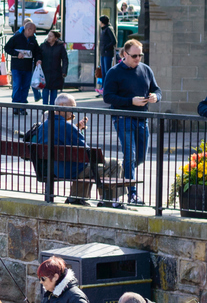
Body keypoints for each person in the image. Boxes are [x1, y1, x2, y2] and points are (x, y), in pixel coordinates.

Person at [34, 94, 122, 205]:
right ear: (61, 106)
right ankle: (111, 201)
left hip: (54, 169)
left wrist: (77, 129)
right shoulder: (68, 126)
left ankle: (76, 197)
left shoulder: (43, 126)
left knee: (87, 168)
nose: (73, 111)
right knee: (114, 163)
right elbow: (86, 150)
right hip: (72, 170)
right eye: (72, 107)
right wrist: (77, 130)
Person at [103, 39, 160, 205]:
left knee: (140, 157)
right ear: (124, 54)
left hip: (142, 119)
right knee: (130, 155)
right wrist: (131, 101)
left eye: (140, 55)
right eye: (134, 55)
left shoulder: (145, 70)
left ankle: (123, 173)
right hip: (123, 118)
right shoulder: (114, 72)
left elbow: (156, 89)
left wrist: (156, 97)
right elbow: (108, 97)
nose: (138, 59)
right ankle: (132, 194)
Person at [4, 20, 42, 115]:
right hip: (17, 67)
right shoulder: (16, 38)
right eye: (34, 30)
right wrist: (17, 54)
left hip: (28, 67)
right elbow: (7, 48)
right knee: (17, 85)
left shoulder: (33, 40)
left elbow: (37, 52)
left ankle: (23, 106)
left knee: (25, 87)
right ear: (28, 29)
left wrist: (38, 59)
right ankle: (16, 105)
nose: (35, 32)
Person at [39, 30, 69, 106]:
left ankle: (52, 109)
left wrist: (64, 71)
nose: (48, 38)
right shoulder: (43, 46)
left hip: (56, 72)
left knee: (54, 91)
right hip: (45, 71)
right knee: (45, 91)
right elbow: (38, 56)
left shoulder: (60, 46)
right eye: (48, 36)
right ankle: (45, 108)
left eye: (51, 36)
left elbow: (65, 59)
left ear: (55, 38)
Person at [98, 15, 117, 88]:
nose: (99, 23)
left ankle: (107, 88)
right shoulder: (104, 29)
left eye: (100, 21)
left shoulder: (108, 29)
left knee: (107, 71)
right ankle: (103, 87)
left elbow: (114, 41)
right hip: (103, 53)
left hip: (107, 53)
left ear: (102, 22)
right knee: (103, 72)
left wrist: (106, 47)